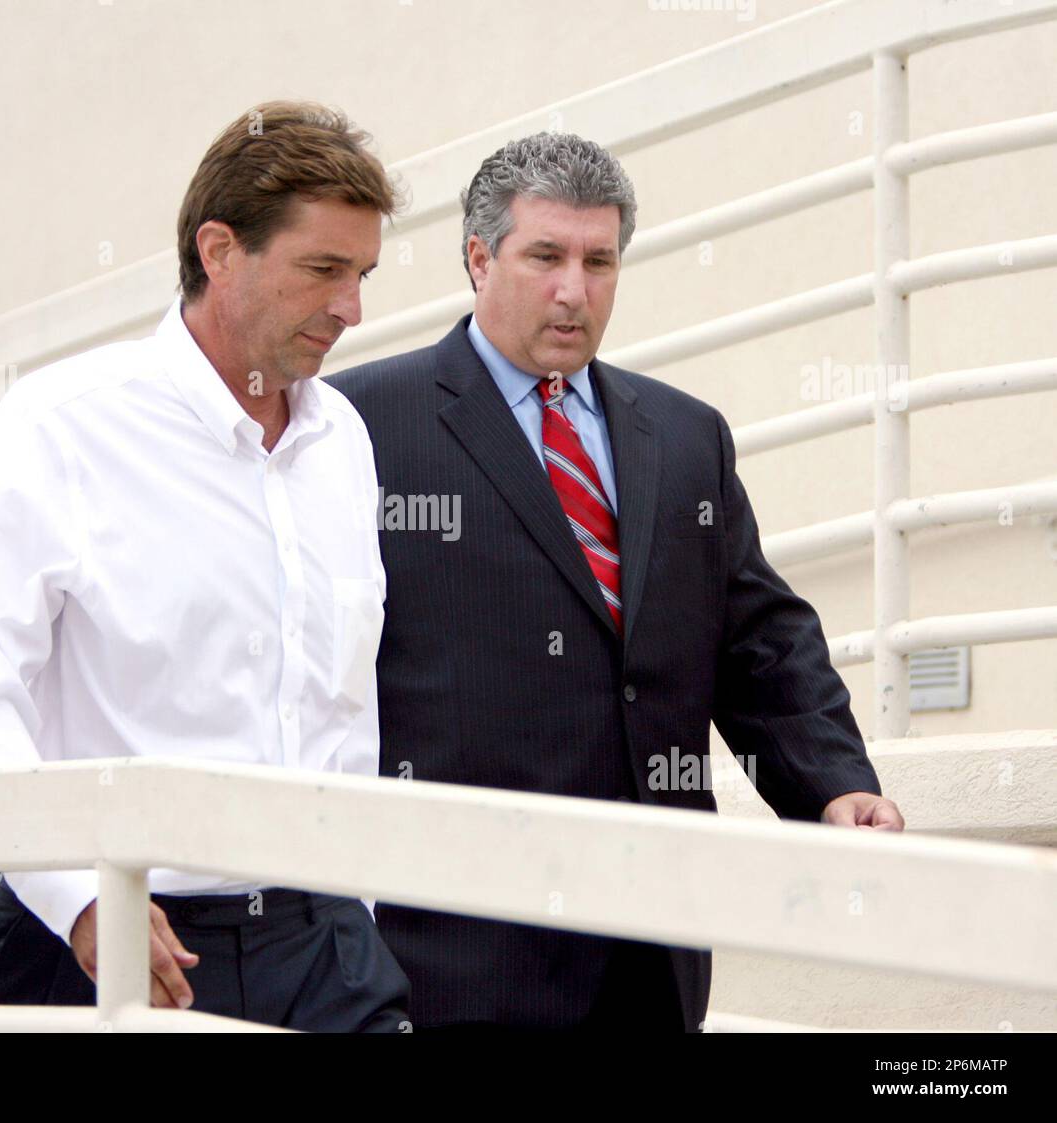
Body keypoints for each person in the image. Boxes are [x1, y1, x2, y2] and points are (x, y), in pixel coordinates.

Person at [328, 131, 905, 1031]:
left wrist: (834, 785)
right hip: (453, 957)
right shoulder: (358, 425)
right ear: (478, 259)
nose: (574, 289)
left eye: (600, 261)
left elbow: (759, 639)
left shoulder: (685, 437)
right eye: (545, 256)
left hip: (654, 952)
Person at [0, 101, 411, 1031]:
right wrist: (79, 897)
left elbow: (346, 710)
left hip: (323, 950)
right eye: (324, 270)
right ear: (218, 250)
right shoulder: (59, 426)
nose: (352, 308)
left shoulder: (342, 437)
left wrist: (357, 909)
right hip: (102, 940)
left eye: (363, 274)